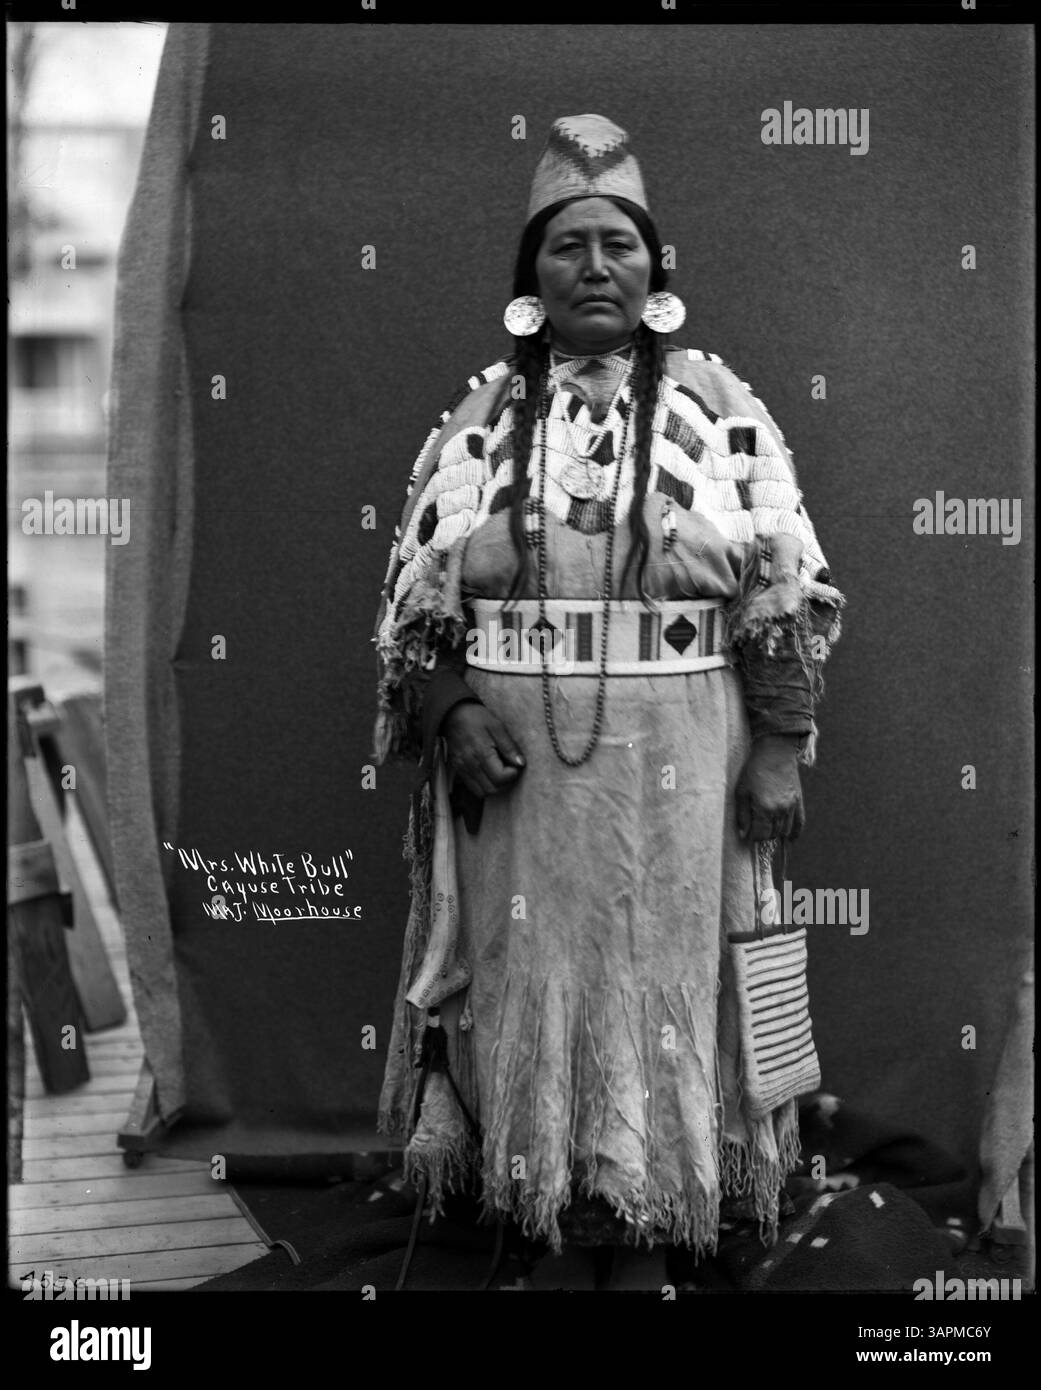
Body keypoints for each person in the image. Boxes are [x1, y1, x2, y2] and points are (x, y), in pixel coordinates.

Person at [372, 114, 844, 1287]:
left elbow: (785, 580)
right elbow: (413, 594)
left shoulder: (717, 405)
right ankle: (541, 1206)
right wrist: (448, 711)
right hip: (516, 768)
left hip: (683, 755)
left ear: (657, 270)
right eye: (568, 244)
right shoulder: (478, 417)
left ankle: (655, 1216)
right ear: (530, 275)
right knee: (527, 971)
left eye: (619, 245)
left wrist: (779, 747)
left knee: (669, 966)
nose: (595, 266)